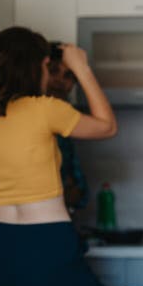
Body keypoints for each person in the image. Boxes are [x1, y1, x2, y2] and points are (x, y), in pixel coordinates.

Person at [0, 26, 119, 286]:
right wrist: (81, 68)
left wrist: (0, 245)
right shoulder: (44, 108)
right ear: (31, 67)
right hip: (47, 241)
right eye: (46, 66)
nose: (48, 73)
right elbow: (107, 126)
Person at [45, 51, 89, 215]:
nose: (60, 81)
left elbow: (80, 192)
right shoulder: (26, 118)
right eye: (54, 71)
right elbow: (107, 127)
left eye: (69, 75)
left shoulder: (67, 124)